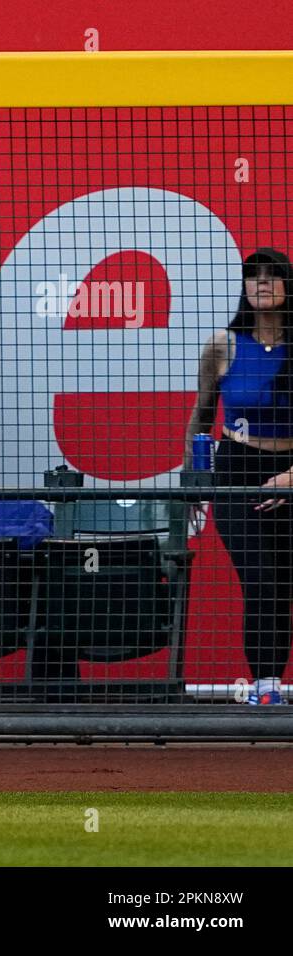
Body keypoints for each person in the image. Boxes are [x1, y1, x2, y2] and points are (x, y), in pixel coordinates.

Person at [185, 247, 293, 705]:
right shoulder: (222, 346)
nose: (261, 284)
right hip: (235, 470)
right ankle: (265, 688)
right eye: (253, 277)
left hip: (289, 474)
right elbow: (201, 418)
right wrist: (195, 483)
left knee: (283, 584)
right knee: (260, 580)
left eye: (271, 276)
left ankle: (274, 684)